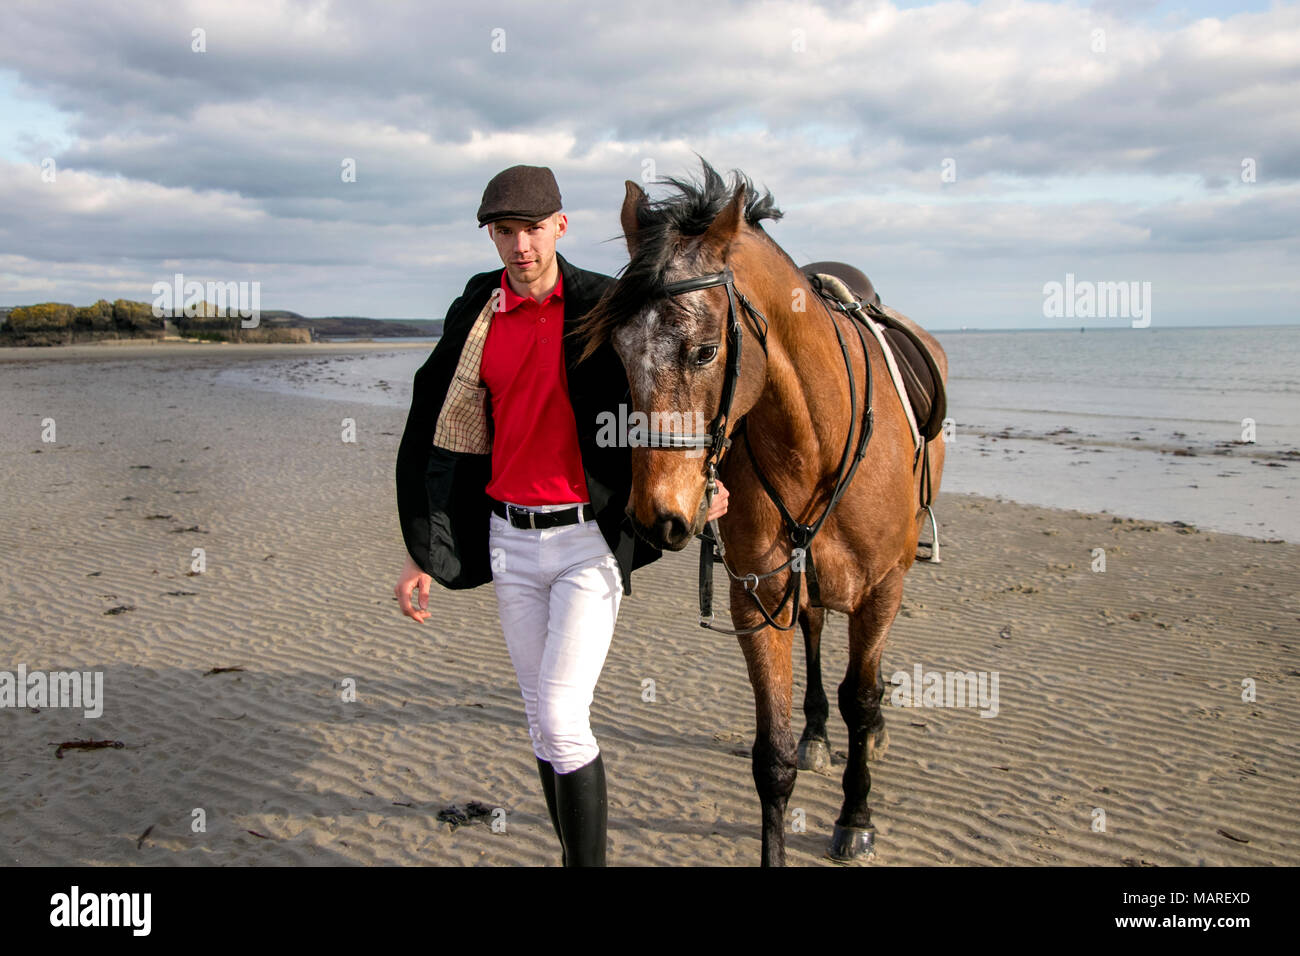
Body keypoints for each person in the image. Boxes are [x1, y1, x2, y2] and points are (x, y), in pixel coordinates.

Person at [394, 165, 729, 866]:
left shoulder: (606, 307)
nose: (520, 246)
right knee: (544, 729)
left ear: (560, 226)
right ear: (492, 235)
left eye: (533, 229)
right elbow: (438, 426)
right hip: (509, 541)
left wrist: (700, 483)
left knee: (560, 720)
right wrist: (423, 547)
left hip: (585, 542)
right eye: (505, 231)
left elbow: (670, 388)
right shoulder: (478, 313)